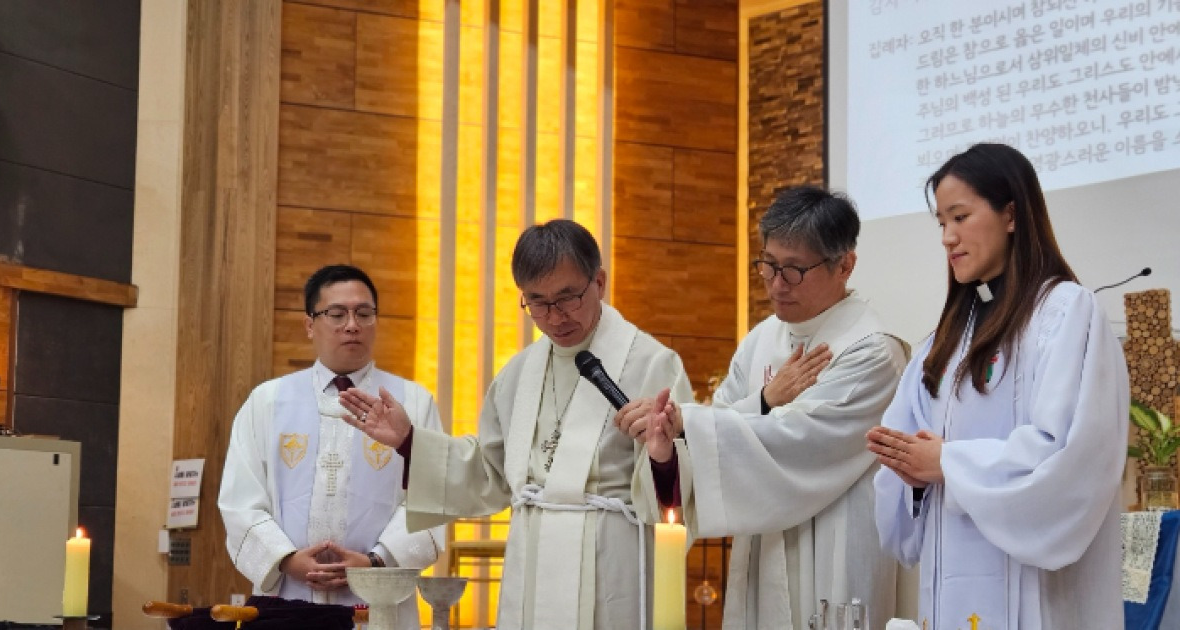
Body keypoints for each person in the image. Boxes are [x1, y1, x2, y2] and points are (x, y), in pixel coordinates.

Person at [339, 219, 694, 630]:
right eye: (537, 302)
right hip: (532, 562)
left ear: (599, 281)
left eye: (568, 298)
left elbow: (681, 489)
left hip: (612, 563)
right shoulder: (518, 375)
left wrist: (663, 453)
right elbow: (491, 473)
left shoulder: (652, 363)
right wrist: (409, 442)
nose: (554, 317)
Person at [866, 143, 1128, 630]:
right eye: (941, 223)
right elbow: (906, 483)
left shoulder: (1066, 314)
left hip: (1036, 597)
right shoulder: (942, 342)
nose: (947, 237)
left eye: (960, 217)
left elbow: (1067, 456)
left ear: (1011, 214)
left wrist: (947, 462)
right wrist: (910, 472)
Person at [627, 186, 909, 630]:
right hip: (762, 555)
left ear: (844, 265)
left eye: (794, 270)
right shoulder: (762, 339)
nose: (776, 284)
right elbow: (723, 423)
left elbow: (800, 442)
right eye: (769, 265)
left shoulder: (872, 351)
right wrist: (671, 444)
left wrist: (694, 422)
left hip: (833, 550)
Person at [218, 264, 444, 629]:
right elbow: (239, 500)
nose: (352, 324)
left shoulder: (413, 404)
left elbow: (431, 501)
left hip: (377, 603)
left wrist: (374, 562)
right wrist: (287, 559)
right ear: (310, 324)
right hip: (289, 598)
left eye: (364, 314)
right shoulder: (268, 402)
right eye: (337, 314)